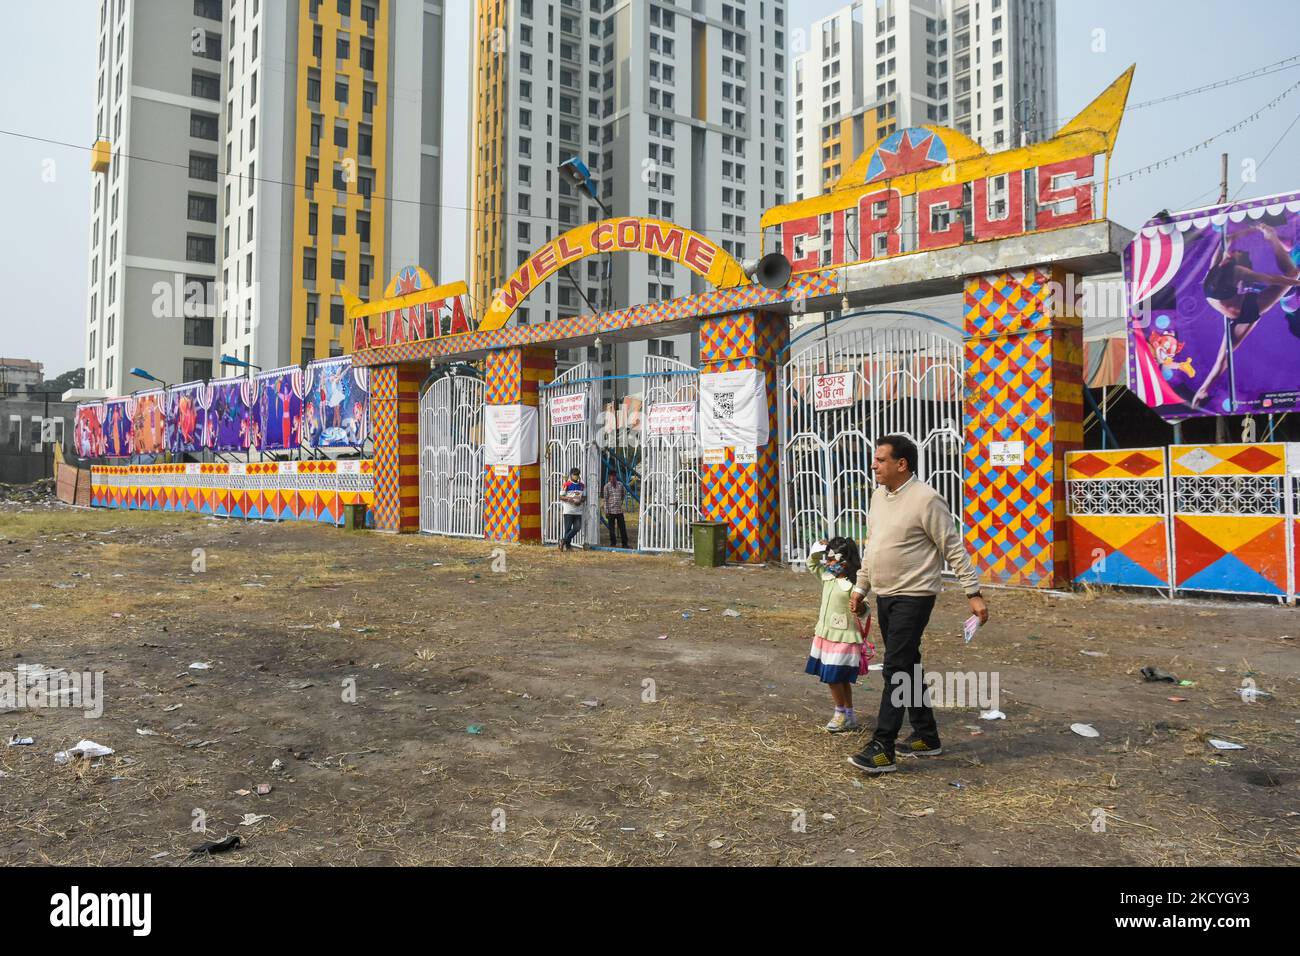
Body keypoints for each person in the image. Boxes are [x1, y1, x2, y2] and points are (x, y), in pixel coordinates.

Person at [846, 434, 988, 775]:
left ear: (901, 464)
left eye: (880, 460)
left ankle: (883, 747)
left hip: (915, 595)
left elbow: (952, 547)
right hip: (885, 594)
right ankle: (926, 735)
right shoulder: (879, 496)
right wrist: (861, 587)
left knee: (895, 667)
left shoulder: (926, 499)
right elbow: (873, 547)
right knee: (908, 665)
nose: (873, 465)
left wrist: (974, 592)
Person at [1192, 223, 1300, 409]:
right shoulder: (1216, 266)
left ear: (1236, 261)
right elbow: (1227, 239)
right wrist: (1249, 231)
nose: (1235, 251)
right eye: (1235, 251)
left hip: (1249, 309)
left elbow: (1275, 280)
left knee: (1292, 274)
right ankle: (1203, 389)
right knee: (1223, 358)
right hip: (1237, 309)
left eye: (1238, 253)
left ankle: (1273, 238)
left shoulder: (1237, 271)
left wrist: (1293, 282)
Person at [804, 536, 873, 733]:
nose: (830, 563)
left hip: (844, 639)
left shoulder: (854, 586)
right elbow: (811, 562)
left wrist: (858, 607)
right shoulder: (826, 576)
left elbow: (866, 610)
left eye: (835, 560)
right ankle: (849, 715)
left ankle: (840, 713)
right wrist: (820, 547)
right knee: (839, 678)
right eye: (828, 559)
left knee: (833, 678)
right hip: (825, 636)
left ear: (847, 562)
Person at [559, 467, 586, 551]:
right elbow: (561, 496)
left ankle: (563, 540)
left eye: (577, 475)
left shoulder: (581, 485)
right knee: (568, 528)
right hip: (568, 510)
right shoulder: (566, 484)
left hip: (578, 511)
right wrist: (569, 499)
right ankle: (568, 546)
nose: (576, 476)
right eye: (574, 475)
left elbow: (584, 497)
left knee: (577, 527)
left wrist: (580, 501)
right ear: (571, 475)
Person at [601, 471, 630, 548]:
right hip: (610, 511)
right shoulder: (606, 486)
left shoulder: (620, 485)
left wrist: (621, 501)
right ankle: (613, 543)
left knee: (622, 528)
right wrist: (606, 511)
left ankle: (625, 543)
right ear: (609, 477)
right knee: (611, 529)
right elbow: (605, 499)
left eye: (614, 476)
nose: (613, 478)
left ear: (616, 476)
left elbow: (624, 494)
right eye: (611, 476)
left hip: (619, 510)